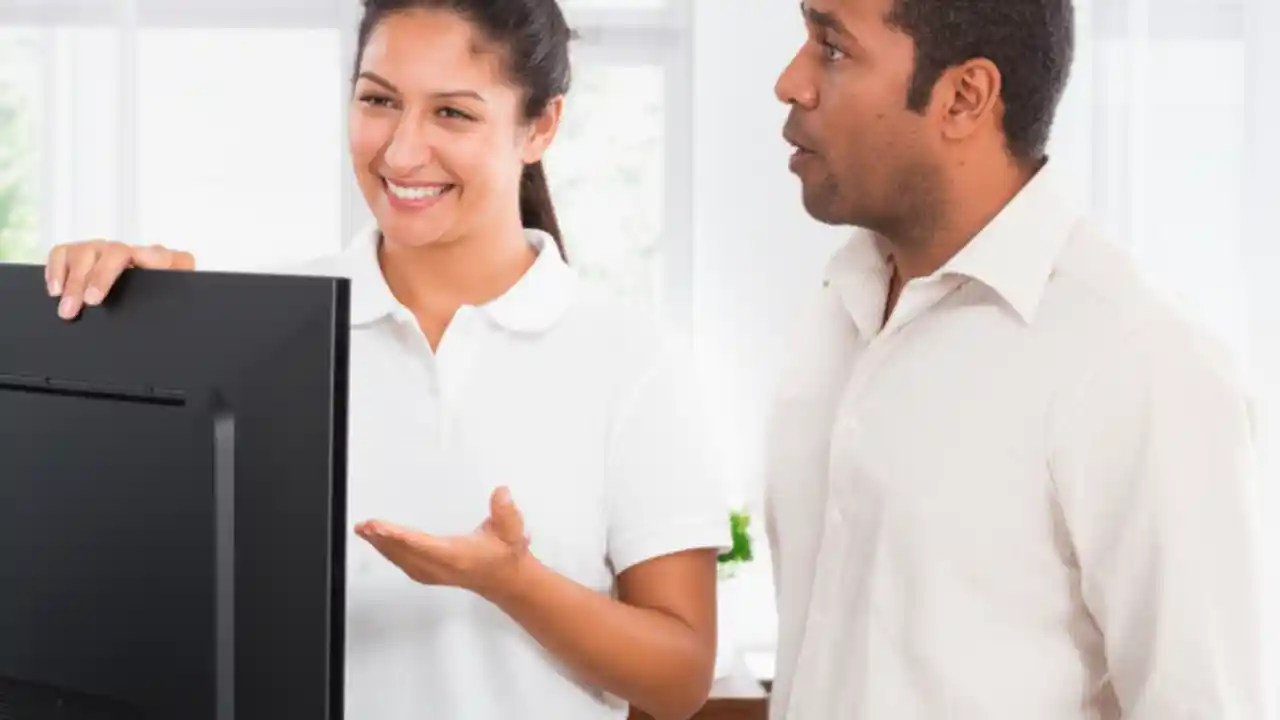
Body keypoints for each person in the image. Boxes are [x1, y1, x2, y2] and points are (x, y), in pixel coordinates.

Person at [42, 1, 729, 718]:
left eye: (452, 113)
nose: (401, 153)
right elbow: (125, 589)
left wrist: (513, 581)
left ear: (541, 126)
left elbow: (679, 681)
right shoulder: (259, 334)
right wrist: (127, 329)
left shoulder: (632, 358)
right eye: (378, 100)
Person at [766, 0, 1267, 717]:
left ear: (964, 97)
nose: (791, 82)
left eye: (833, 48)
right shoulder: (838, 308)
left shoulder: (1137, 359)